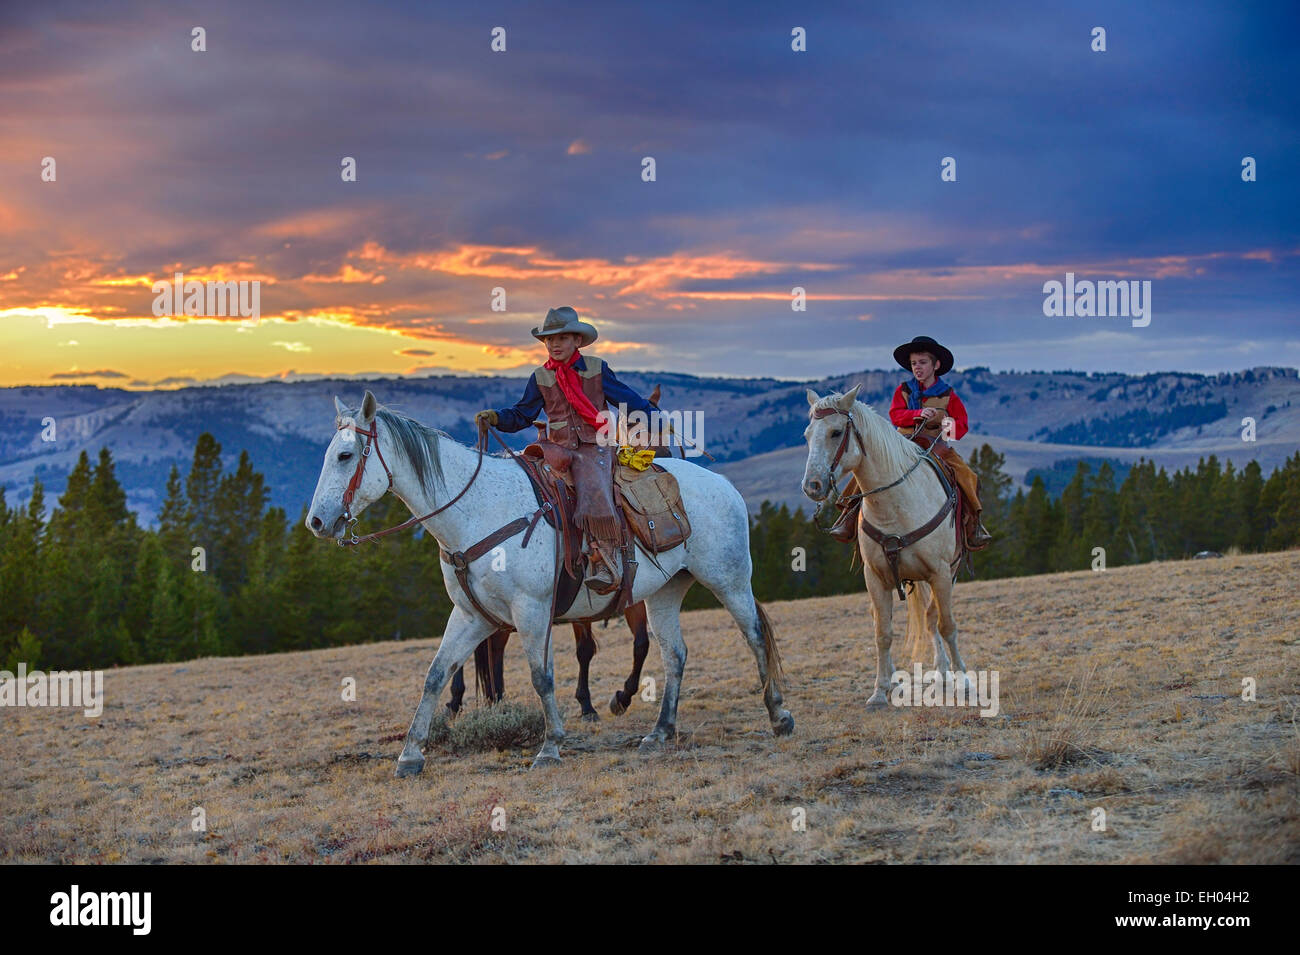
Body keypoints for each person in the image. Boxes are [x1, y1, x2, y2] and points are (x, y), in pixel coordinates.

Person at [475, 306, 657, 594]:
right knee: (521, 479)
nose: (554, 345)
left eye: (561, 338)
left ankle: (604, 559)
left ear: (576, 340)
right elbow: (523, 414)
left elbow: (626, 398)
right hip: (556, 447)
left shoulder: (597, 369)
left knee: (592, 488)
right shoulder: (540, 377)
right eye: (549, 340)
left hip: (594, 445)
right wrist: (497, 417)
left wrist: (650, 413)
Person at [829, 335, 993, 551]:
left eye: (923, 363)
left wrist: (944, 423)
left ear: (936, 365)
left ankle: (974, 525)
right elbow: (895, 415)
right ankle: (848, 516)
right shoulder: (903, 390)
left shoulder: (948, 395)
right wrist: (917, 414)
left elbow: (961, 425)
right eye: (914, 363)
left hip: (936, 445)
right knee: (867, 469)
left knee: (967, 475)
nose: (917, 368)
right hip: (902, 442)